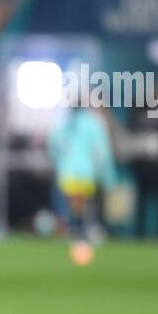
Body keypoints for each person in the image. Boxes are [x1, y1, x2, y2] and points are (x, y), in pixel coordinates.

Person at [47, 99, 116, 263]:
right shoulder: (94, 124)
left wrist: (60, 162)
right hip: (86, 173)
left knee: (72, 207)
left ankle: (74, 232)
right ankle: (84, 232)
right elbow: (102, 151)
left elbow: (53, 145)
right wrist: (107, 176)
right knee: (85, 207)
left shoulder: (65, 124)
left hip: (67, 173)